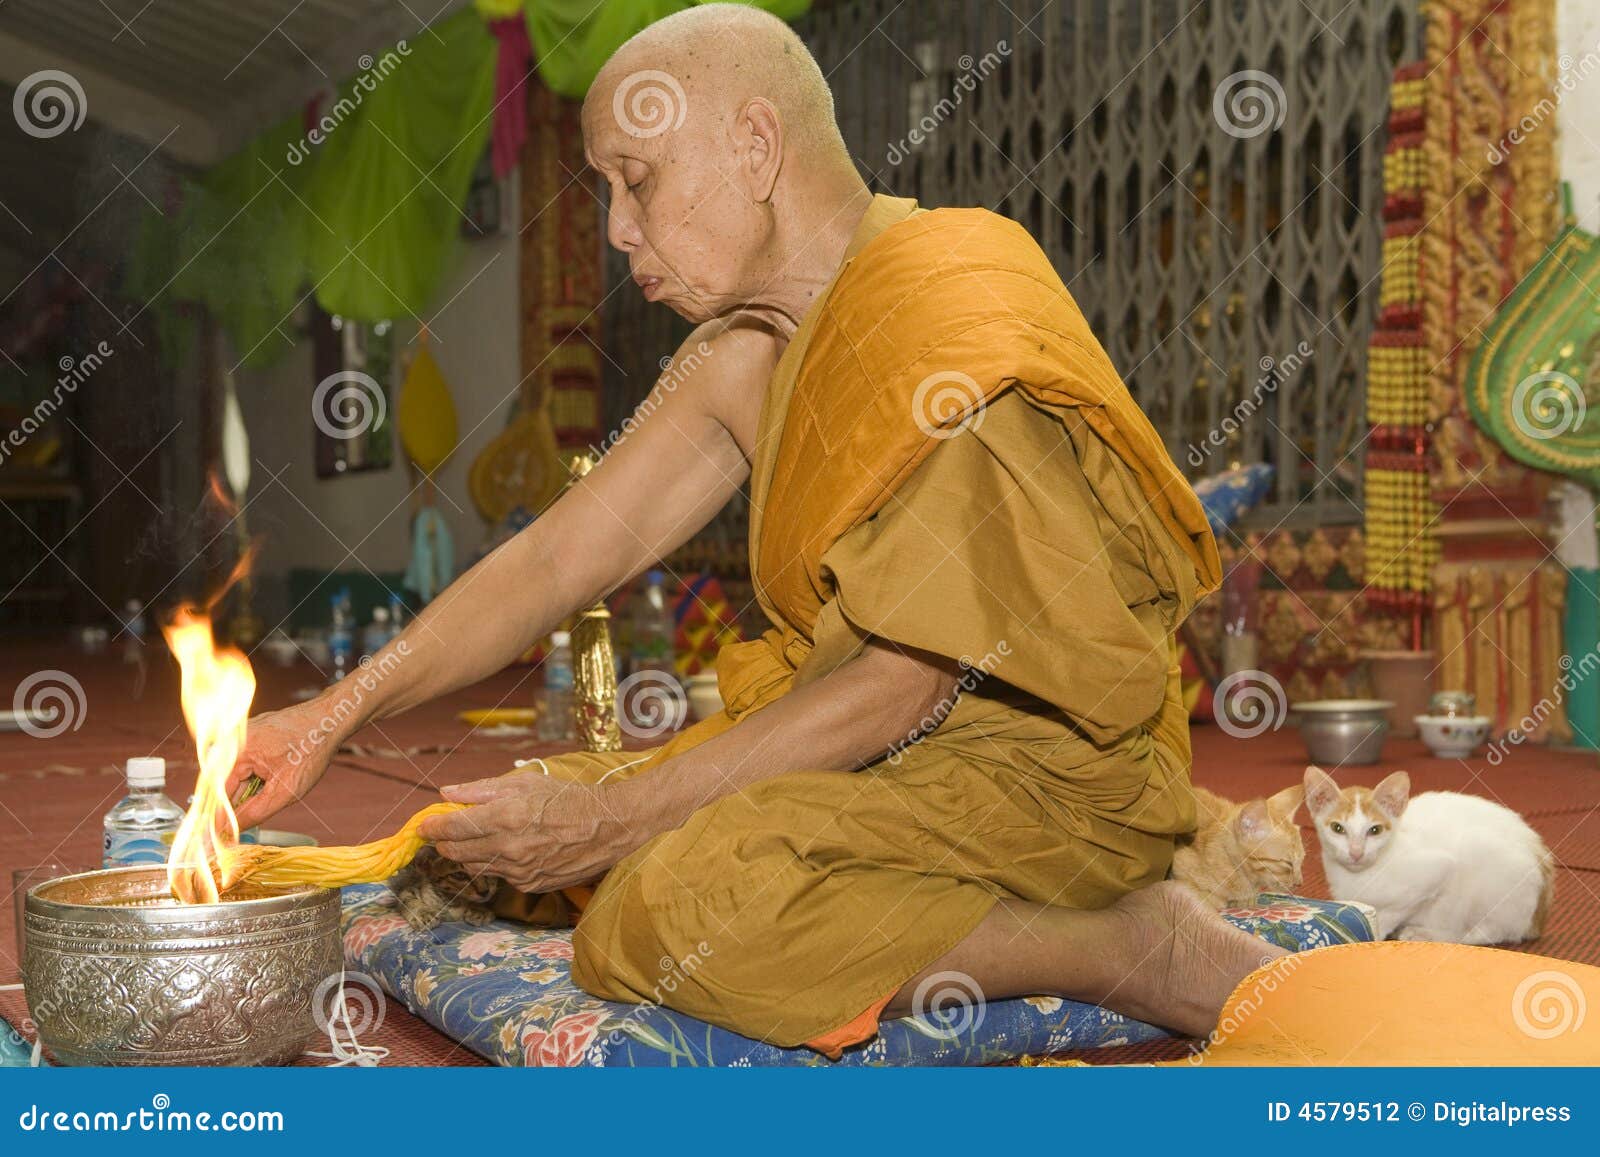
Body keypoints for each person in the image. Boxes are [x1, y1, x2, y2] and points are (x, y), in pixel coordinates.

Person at [231, 3, 1279, 1055]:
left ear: (755, 146)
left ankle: (1131, 945)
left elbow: (903, 680)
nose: (616, 229)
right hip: (875, 758)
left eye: (634, 180)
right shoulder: (742, 353)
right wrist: (331, 712)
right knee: (531, 817)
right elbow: (555, 556)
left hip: (1037, 773)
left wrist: (628, 817)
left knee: (674, 907)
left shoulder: (942, 302)